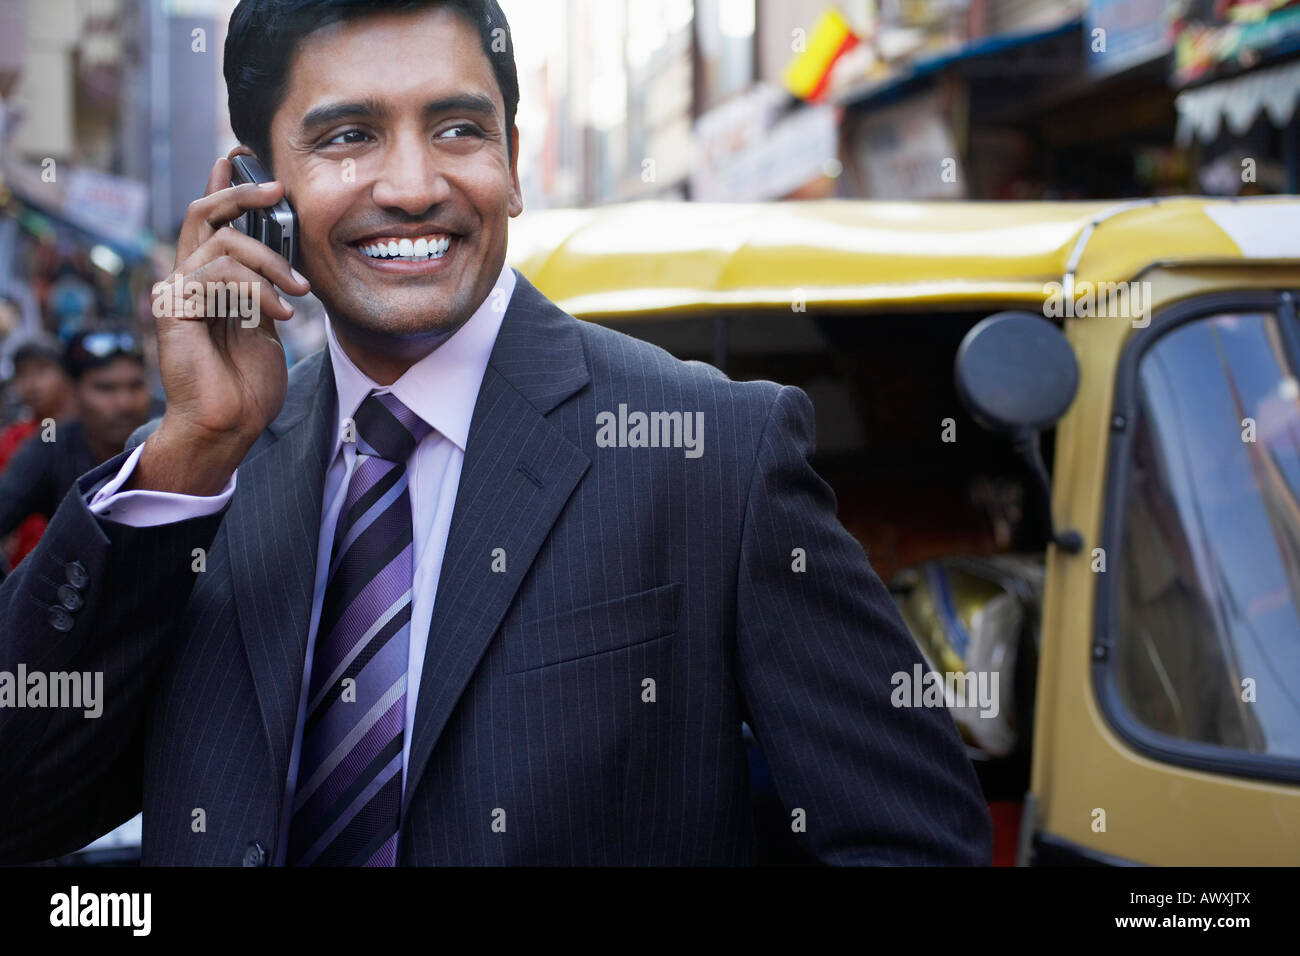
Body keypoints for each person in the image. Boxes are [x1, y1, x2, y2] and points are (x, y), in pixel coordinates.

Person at [0, 0, 992, 866]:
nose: (413, 184)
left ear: (513, 161)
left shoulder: (718, 452)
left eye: (459, 129)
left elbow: (910, 840)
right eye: (347, 136)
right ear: (255, 189)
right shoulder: (199, 483)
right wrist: (191, 454)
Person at [0, 331, 150, 572]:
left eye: (135, 386)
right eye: (105, 388)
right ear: (73, 392)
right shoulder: (50, 449)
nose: (125, 403)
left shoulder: (168, 438)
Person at [0, 337, 78, 568]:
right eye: (23, 375)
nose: (32, 384)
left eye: (42, 371)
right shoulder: (13, 437)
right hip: (26, 568)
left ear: (65, 375)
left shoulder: (91, 431)